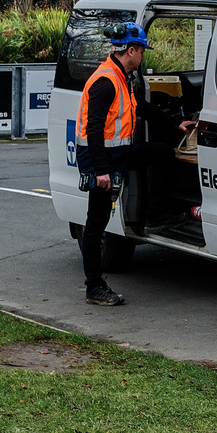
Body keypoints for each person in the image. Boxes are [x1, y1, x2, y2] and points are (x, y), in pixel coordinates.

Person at [76, 22, 147, 306]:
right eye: (141, 51)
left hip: (118, 155)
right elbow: (94, 129)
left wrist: (176, 122)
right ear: (131, 50)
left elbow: (139, 107)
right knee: (97, 223)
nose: (143, 57)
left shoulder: (122, 76)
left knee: (160, 154)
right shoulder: (106, 81)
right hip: (101, 161)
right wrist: (101, 171)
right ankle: (94, 286)